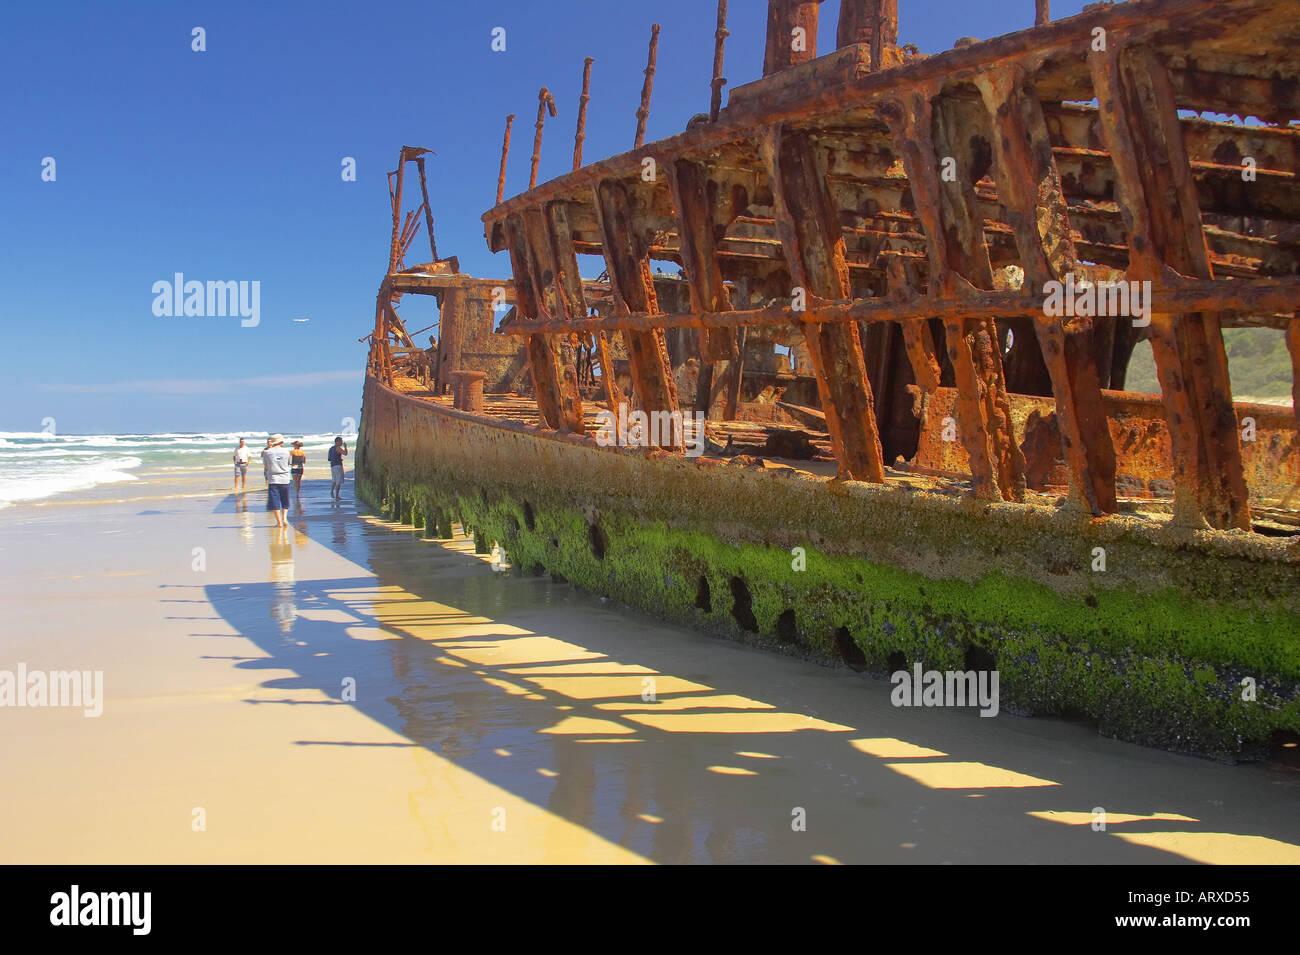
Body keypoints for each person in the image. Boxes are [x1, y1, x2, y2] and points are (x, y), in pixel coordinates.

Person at [262, 434, 292, 527]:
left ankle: (279, 522)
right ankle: (284, 518)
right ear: (281, 442)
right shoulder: (287, 452)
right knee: (285, 498)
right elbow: (289, 463)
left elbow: (266, 465)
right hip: (285, 477)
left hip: (273, 478)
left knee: (275, 500)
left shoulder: (267, 452)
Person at [328, 436, 348, 501]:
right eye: (341, 441)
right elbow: (345, 453)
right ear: (337, 442)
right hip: (338, 465)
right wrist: (345, 447)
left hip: (332, 465)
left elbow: (329, 458)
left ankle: (331, 492)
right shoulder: (338, 448)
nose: (342, 442)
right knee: (338, 481)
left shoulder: (331, 448)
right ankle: (337, 496)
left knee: (334, 480)